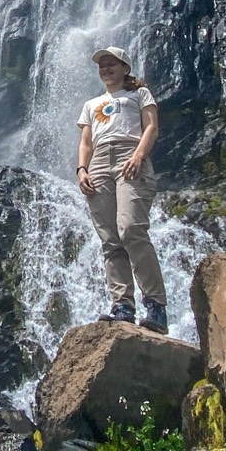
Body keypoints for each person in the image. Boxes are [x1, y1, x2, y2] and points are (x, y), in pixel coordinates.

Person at [77, 46, 168, 335]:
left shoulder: (139, 94)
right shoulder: (92, 104)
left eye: (111, 63)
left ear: (125, 68)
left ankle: (156, 305)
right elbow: (86, 142)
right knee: (110, 240)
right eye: (101, 65)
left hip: (131, 154)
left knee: (130, 229)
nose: (105, 68)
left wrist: (139, 155)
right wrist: (81, 169)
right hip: (99, 163)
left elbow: (151, 127)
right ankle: (123, 306)